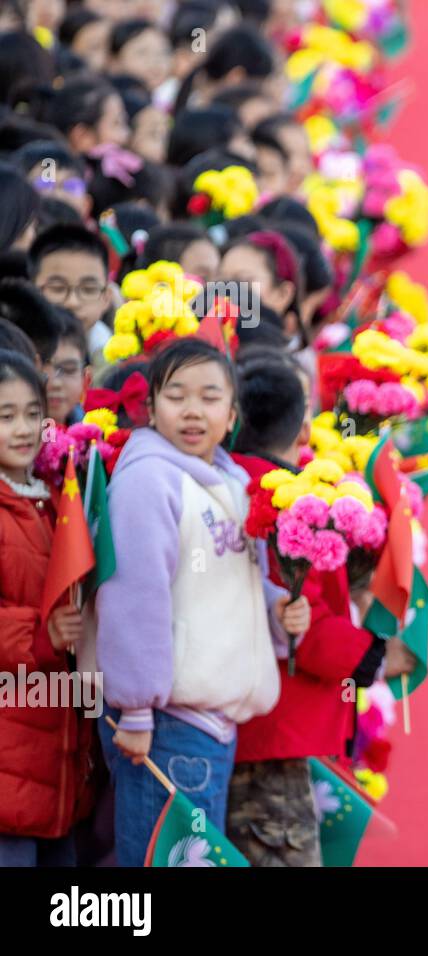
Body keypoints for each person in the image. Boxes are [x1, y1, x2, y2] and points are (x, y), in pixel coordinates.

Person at [78, 337, 311, 866]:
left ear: (231, 415)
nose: (191, 410)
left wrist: (278, 611)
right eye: (175, 394)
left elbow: (232, 582)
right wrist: (135, 709)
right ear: (151, 407)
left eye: (209, 397)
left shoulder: (229, 482)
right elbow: (135, 598)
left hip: (209, 728)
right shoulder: (148, 481)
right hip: (167, 724)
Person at [226, 356, 400, 865]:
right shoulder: (290, 503)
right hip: (276, 730)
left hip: (244, 724)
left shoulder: (228, 480)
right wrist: (370, 654)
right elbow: (307, 621)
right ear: (303, 425)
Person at [0, 348, 95, 865]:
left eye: (31, 414)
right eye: (4, 415)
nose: (21, 428)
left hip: (58, 750)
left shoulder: (56, 496)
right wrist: (40, 635)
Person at [27, 224, 113, 374]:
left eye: (88, 289)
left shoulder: (116, 362)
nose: (72, 302)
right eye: (57, 288)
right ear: (31, 290)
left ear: (106, 298)